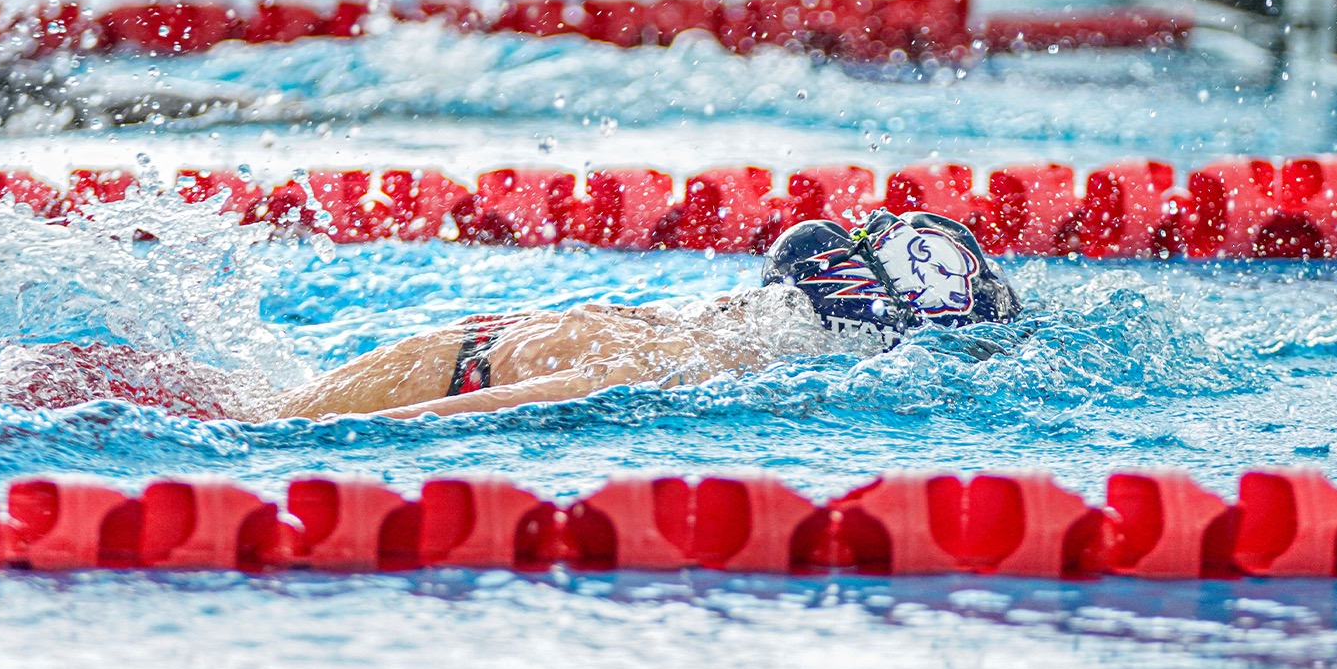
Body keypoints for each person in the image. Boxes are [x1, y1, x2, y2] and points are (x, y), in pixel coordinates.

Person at [263, 208, 1022, 420]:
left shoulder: (710, 331)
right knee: (258, 423)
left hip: (467, 348)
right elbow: (465, 417)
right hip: (454, 373)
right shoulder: (685, 365)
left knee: (245, 405)